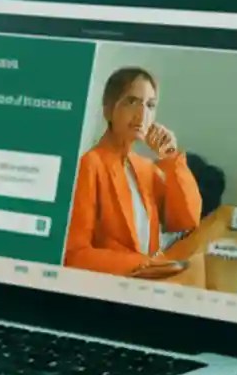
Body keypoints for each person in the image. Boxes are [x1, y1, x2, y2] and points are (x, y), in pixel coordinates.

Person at [63, 67, 203, 277]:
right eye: (131, 102)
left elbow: (187, 220)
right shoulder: (90, 165)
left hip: (151, 278)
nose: (142, 115)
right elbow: (74, 254)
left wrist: (171, 158)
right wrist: (144, 264)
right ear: (108, 109)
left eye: (150, 105)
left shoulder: (145, 167)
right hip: (117, 281)